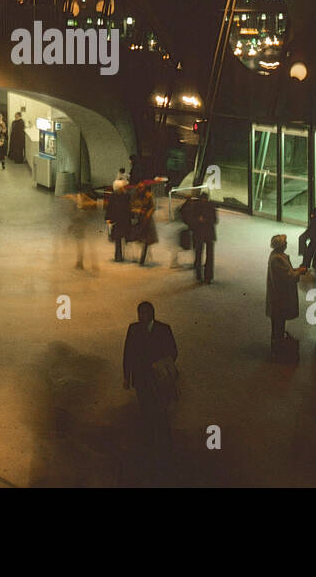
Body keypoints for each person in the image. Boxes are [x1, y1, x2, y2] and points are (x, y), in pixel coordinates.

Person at [123, 301, 178, 451]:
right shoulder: (133, 329)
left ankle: (164, 440)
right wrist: (126, 376)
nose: (143, 317)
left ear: (152, 314)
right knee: (145, 407)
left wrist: (161, 364)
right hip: (141, 377)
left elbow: (173, 351)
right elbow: (128, 354)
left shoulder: (163, 329)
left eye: (146, 313)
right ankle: (149, 439)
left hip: (158, 378)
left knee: (160, 408)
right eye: (140, 314)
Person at [265, 235, 306, 357]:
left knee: (277, 323)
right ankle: (277, 349)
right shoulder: (278, 259)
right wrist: (299, 272)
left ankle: (276, 347)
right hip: (280, 297)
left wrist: (296, 270)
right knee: (279, 322)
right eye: (285, 243)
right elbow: (288, 277)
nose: (286, 244)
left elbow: (286, 272)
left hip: (277, 296)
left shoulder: (276, 256)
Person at [186, 190, 218, 283]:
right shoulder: (211, 206)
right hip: (208, 234)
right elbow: (215, 220)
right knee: (208, 256)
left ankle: (199, 274)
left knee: (199, 254)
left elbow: (191, 219)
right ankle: (207, 276)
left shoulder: (196, 206)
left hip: (200, 233)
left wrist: (199, 220)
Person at [131, 183, 158, 265]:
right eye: (139, 188)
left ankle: (142, 258)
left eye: (142, 188)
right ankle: (139, 256)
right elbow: (131, 207)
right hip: (137, 220)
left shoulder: (148, 196)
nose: (141, 189)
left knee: (146, 240)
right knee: (137, 239)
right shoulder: (134, 197)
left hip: (147, 221)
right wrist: (137, 210)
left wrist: (148, 214)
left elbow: (153, 207)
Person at [106, 182, 131, 262]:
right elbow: (110, 207)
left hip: (124, 219)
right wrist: (108, 218)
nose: (124, 188)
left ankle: (121, 255)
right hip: (116, 219)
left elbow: (129, 206)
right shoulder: (113, 196)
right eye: (123, 187)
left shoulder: (127, 195)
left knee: (122, 237)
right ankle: (118, 256)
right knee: (117, 238)